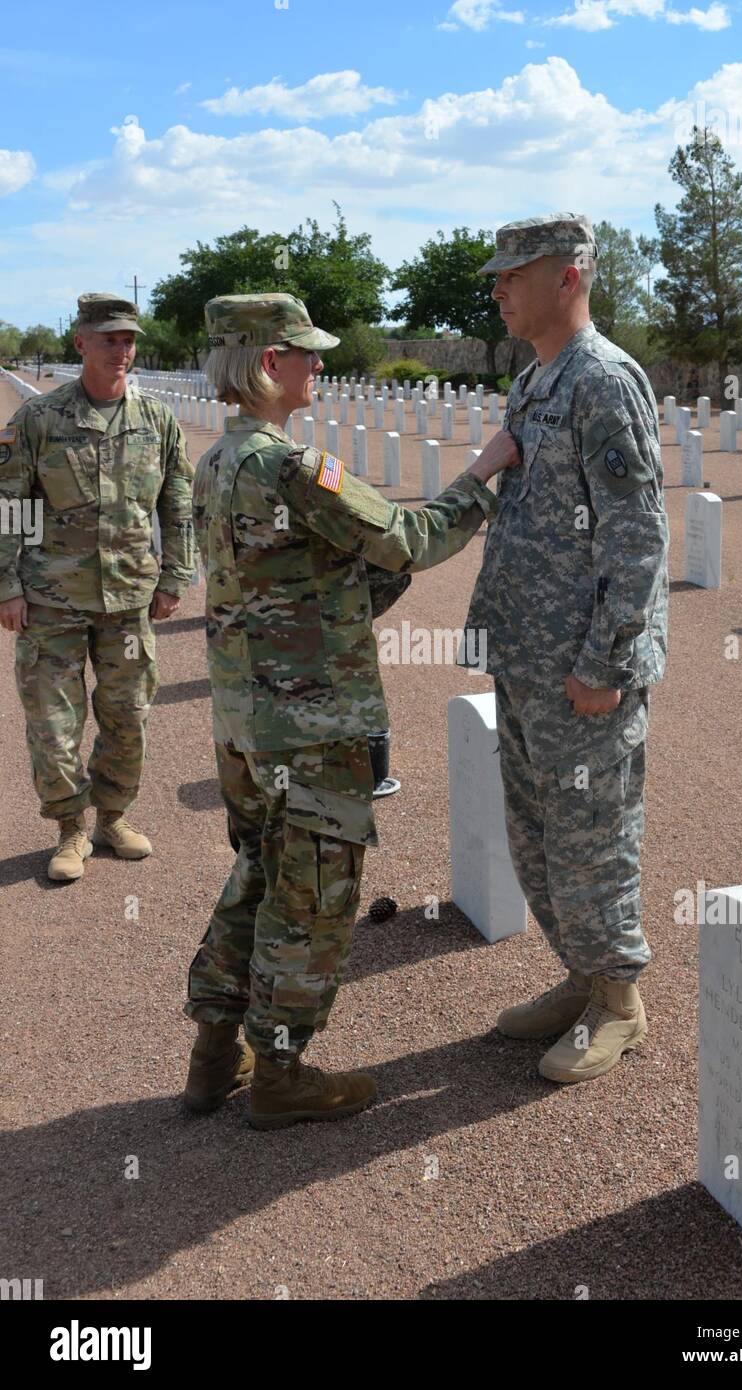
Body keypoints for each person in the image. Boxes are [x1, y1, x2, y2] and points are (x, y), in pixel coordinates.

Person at [183, 292, 518, 1127]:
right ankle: (282, 1076)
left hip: (242, 723)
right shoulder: (292, 469)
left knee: (260, 874)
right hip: (313, 723)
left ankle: (216, 1053)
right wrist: (484, 473)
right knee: (316, 898)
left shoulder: (216, 464)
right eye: (305, 351)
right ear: (269, 363)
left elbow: (285, 589)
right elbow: (408, 539)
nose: (318, 365)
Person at [461, 214, 669, 1083]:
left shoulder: (601, 381)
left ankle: (619, 1000)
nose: (500, 289)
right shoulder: (533, 380)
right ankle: (581, 976)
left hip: (582, 673)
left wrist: (601, 668)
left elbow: (637, 541)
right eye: (499, 276)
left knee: (590, 840)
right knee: (537, 838)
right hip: (527, 658)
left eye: (516, 274)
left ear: (569, 277)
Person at [0, 294, 196, 881]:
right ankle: (69, 830)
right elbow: (11, 506)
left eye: (129, 340)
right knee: (54, 724)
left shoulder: (155, 418)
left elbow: (177, 503)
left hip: (129, 600)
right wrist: (6, 583)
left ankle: (113, 817)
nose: (121, 350)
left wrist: (176, 575)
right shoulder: (39, 420)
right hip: (50, 601)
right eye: (108, 339)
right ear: (80, 342)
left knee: (128, 715)